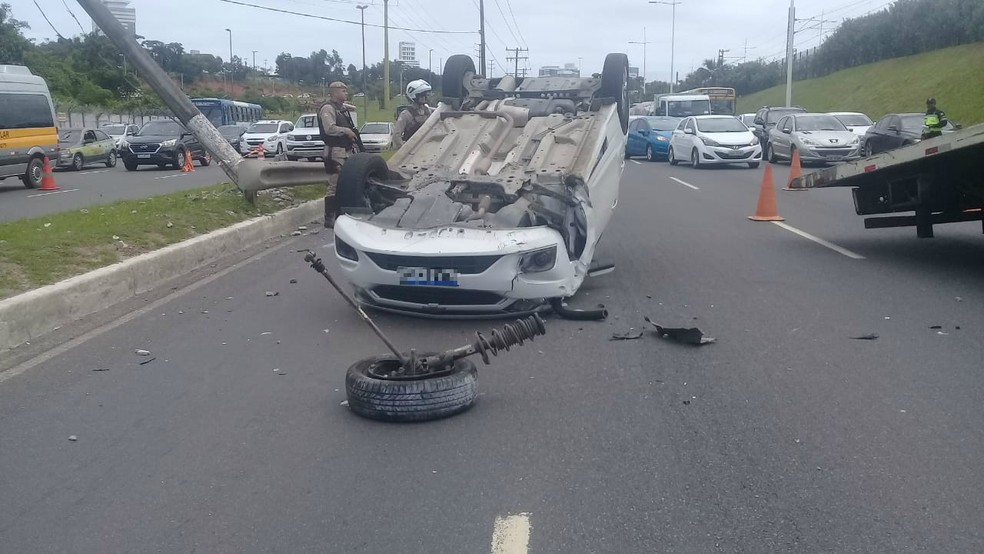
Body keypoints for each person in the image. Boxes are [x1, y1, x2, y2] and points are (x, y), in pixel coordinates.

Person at [317, 81, 360, 226]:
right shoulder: (328, 109)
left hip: (346, 149)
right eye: (343, 91)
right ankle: (329, 217)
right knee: (334, 183)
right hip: (334, 150)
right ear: (334, 93)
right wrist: (346, 131)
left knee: (347, 181)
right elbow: (329, 129)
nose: (346, 94)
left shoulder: (341, 108)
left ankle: (342, 214)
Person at [392, 79, 434, 150]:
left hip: (427, 148)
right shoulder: (406, 114)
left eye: (425, 95)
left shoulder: (427, 110)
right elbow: (396, 136)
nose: (425, 97)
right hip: (412, 152)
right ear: (414, 96)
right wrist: (404, 149)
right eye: (421, 95)